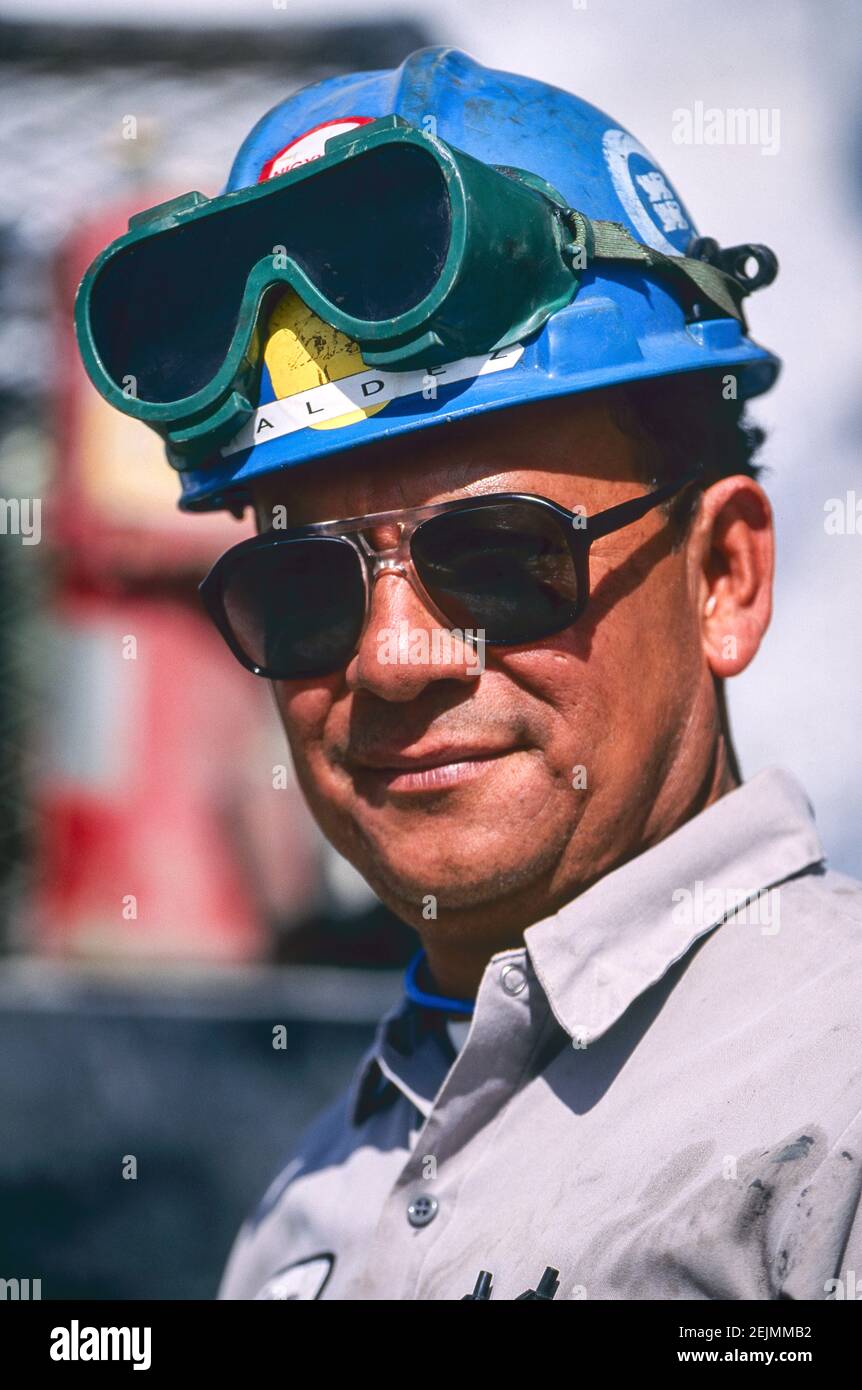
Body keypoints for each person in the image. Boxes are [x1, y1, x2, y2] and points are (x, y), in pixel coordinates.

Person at [75, 46, 862, 1301]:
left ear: (725, 578)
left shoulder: (833, 1096)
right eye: (305, 587)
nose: (392, 660)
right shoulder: (306, 1214)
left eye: (498, 560)